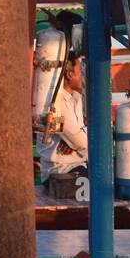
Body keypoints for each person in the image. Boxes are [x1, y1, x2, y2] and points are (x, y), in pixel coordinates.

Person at [40, 52, 88, 191]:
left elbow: (90, 135)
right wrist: (78, 141)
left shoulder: (77, 98)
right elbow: (82, 142)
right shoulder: (56, 103)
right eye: (80, 71)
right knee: (104, 184)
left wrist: (75, 141)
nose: (83, 76)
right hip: (60, 173)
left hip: (78, 166)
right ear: (69, 74)